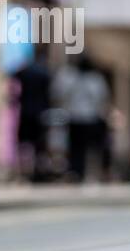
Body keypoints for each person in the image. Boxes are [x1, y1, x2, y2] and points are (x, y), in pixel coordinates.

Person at [51, 54, 109, 183]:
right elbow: (101, 98)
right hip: (83, 118)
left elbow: (58, 94)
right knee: (79, 147)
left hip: (81, 117)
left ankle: (80, 171)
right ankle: (78, 171)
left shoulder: (75, 77)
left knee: (79, 147)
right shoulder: (94, 79)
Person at [12, 47, 51, 182]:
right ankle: (37, 172)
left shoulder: (24, 72)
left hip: (26, 111)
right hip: (40, 113)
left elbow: (13, 77)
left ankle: (23, 171)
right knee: (39, 144)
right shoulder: (44, 73)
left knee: (23, 143)